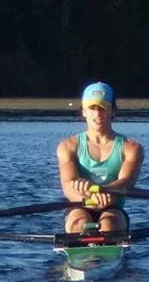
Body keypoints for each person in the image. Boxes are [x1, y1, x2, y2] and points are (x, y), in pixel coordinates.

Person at [57, 81, 142, 240]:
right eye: (92, 108)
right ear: (83, 111)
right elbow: (68, 186)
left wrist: (104, 192)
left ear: (113, 110)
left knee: (108, 225)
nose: (97, 114)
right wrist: (90, 199)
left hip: (113, 207)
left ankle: (104, 252)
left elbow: (126, 183)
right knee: (80, 225)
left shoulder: (131, 148)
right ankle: (83, 256)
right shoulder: (68, 146)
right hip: (79, 205)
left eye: (103, 108)